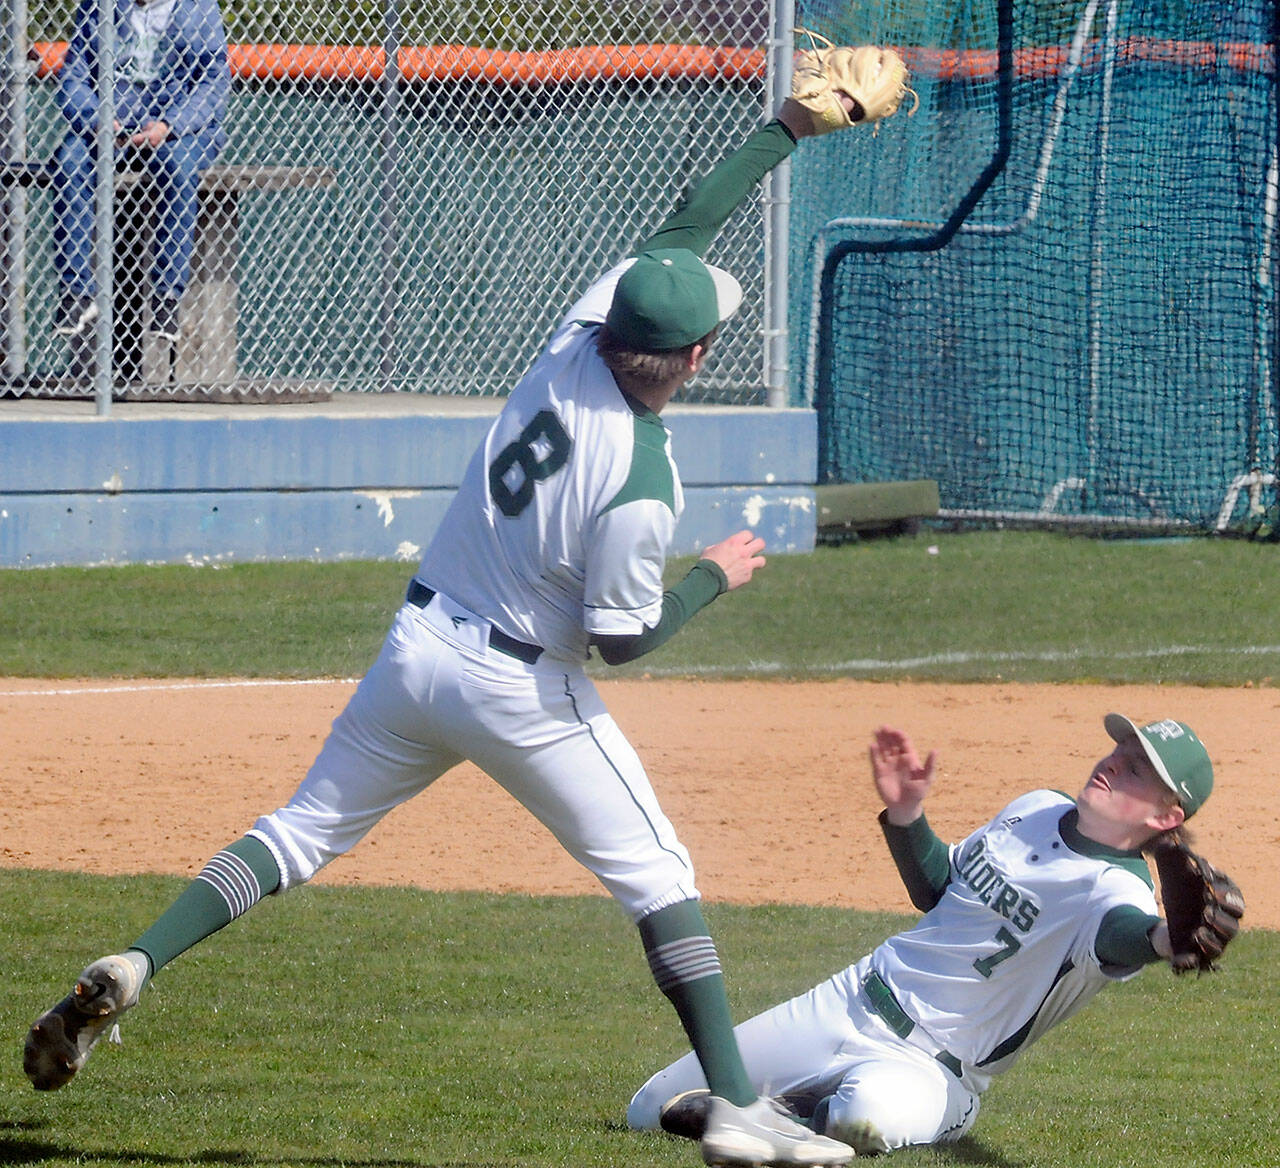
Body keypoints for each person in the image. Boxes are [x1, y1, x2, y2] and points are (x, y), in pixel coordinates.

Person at [23, 88, 877, 1168]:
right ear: (696, 359)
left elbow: (683, 224)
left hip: (416, 651)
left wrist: (786, 127)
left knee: (297, 832)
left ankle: (143, 960)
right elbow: (622, 637)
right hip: (521, 691)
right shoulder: (642, 479)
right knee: (659, 877)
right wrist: (715, 574)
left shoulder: (572, 340)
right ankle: (742, 1111)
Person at [628, 714, 1228, 1155]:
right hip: (852, 998)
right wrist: (908, 816)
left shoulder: (1114, 891)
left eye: (1139, 769)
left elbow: (1127, 937)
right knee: (649, 1110)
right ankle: (785, 1114)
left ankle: (801, 1115)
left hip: (931, 1068)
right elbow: (939, 888)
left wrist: (1162, 940)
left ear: (1165, 817)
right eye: (1121, 748)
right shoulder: (1037, 805)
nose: (1115, 762)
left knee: (866, 1119)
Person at [51, 0, 229, 343]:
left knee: (176, 166)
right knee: (69, 160)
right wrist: (95, 119)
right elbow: (73, 76)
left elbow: (213, 81)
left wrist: (170, 125)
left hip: (181, 130)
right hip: (109, 127)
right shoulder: (99, 7)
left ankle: (166, 296)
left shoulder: (199, 8)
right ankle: (76, 293)